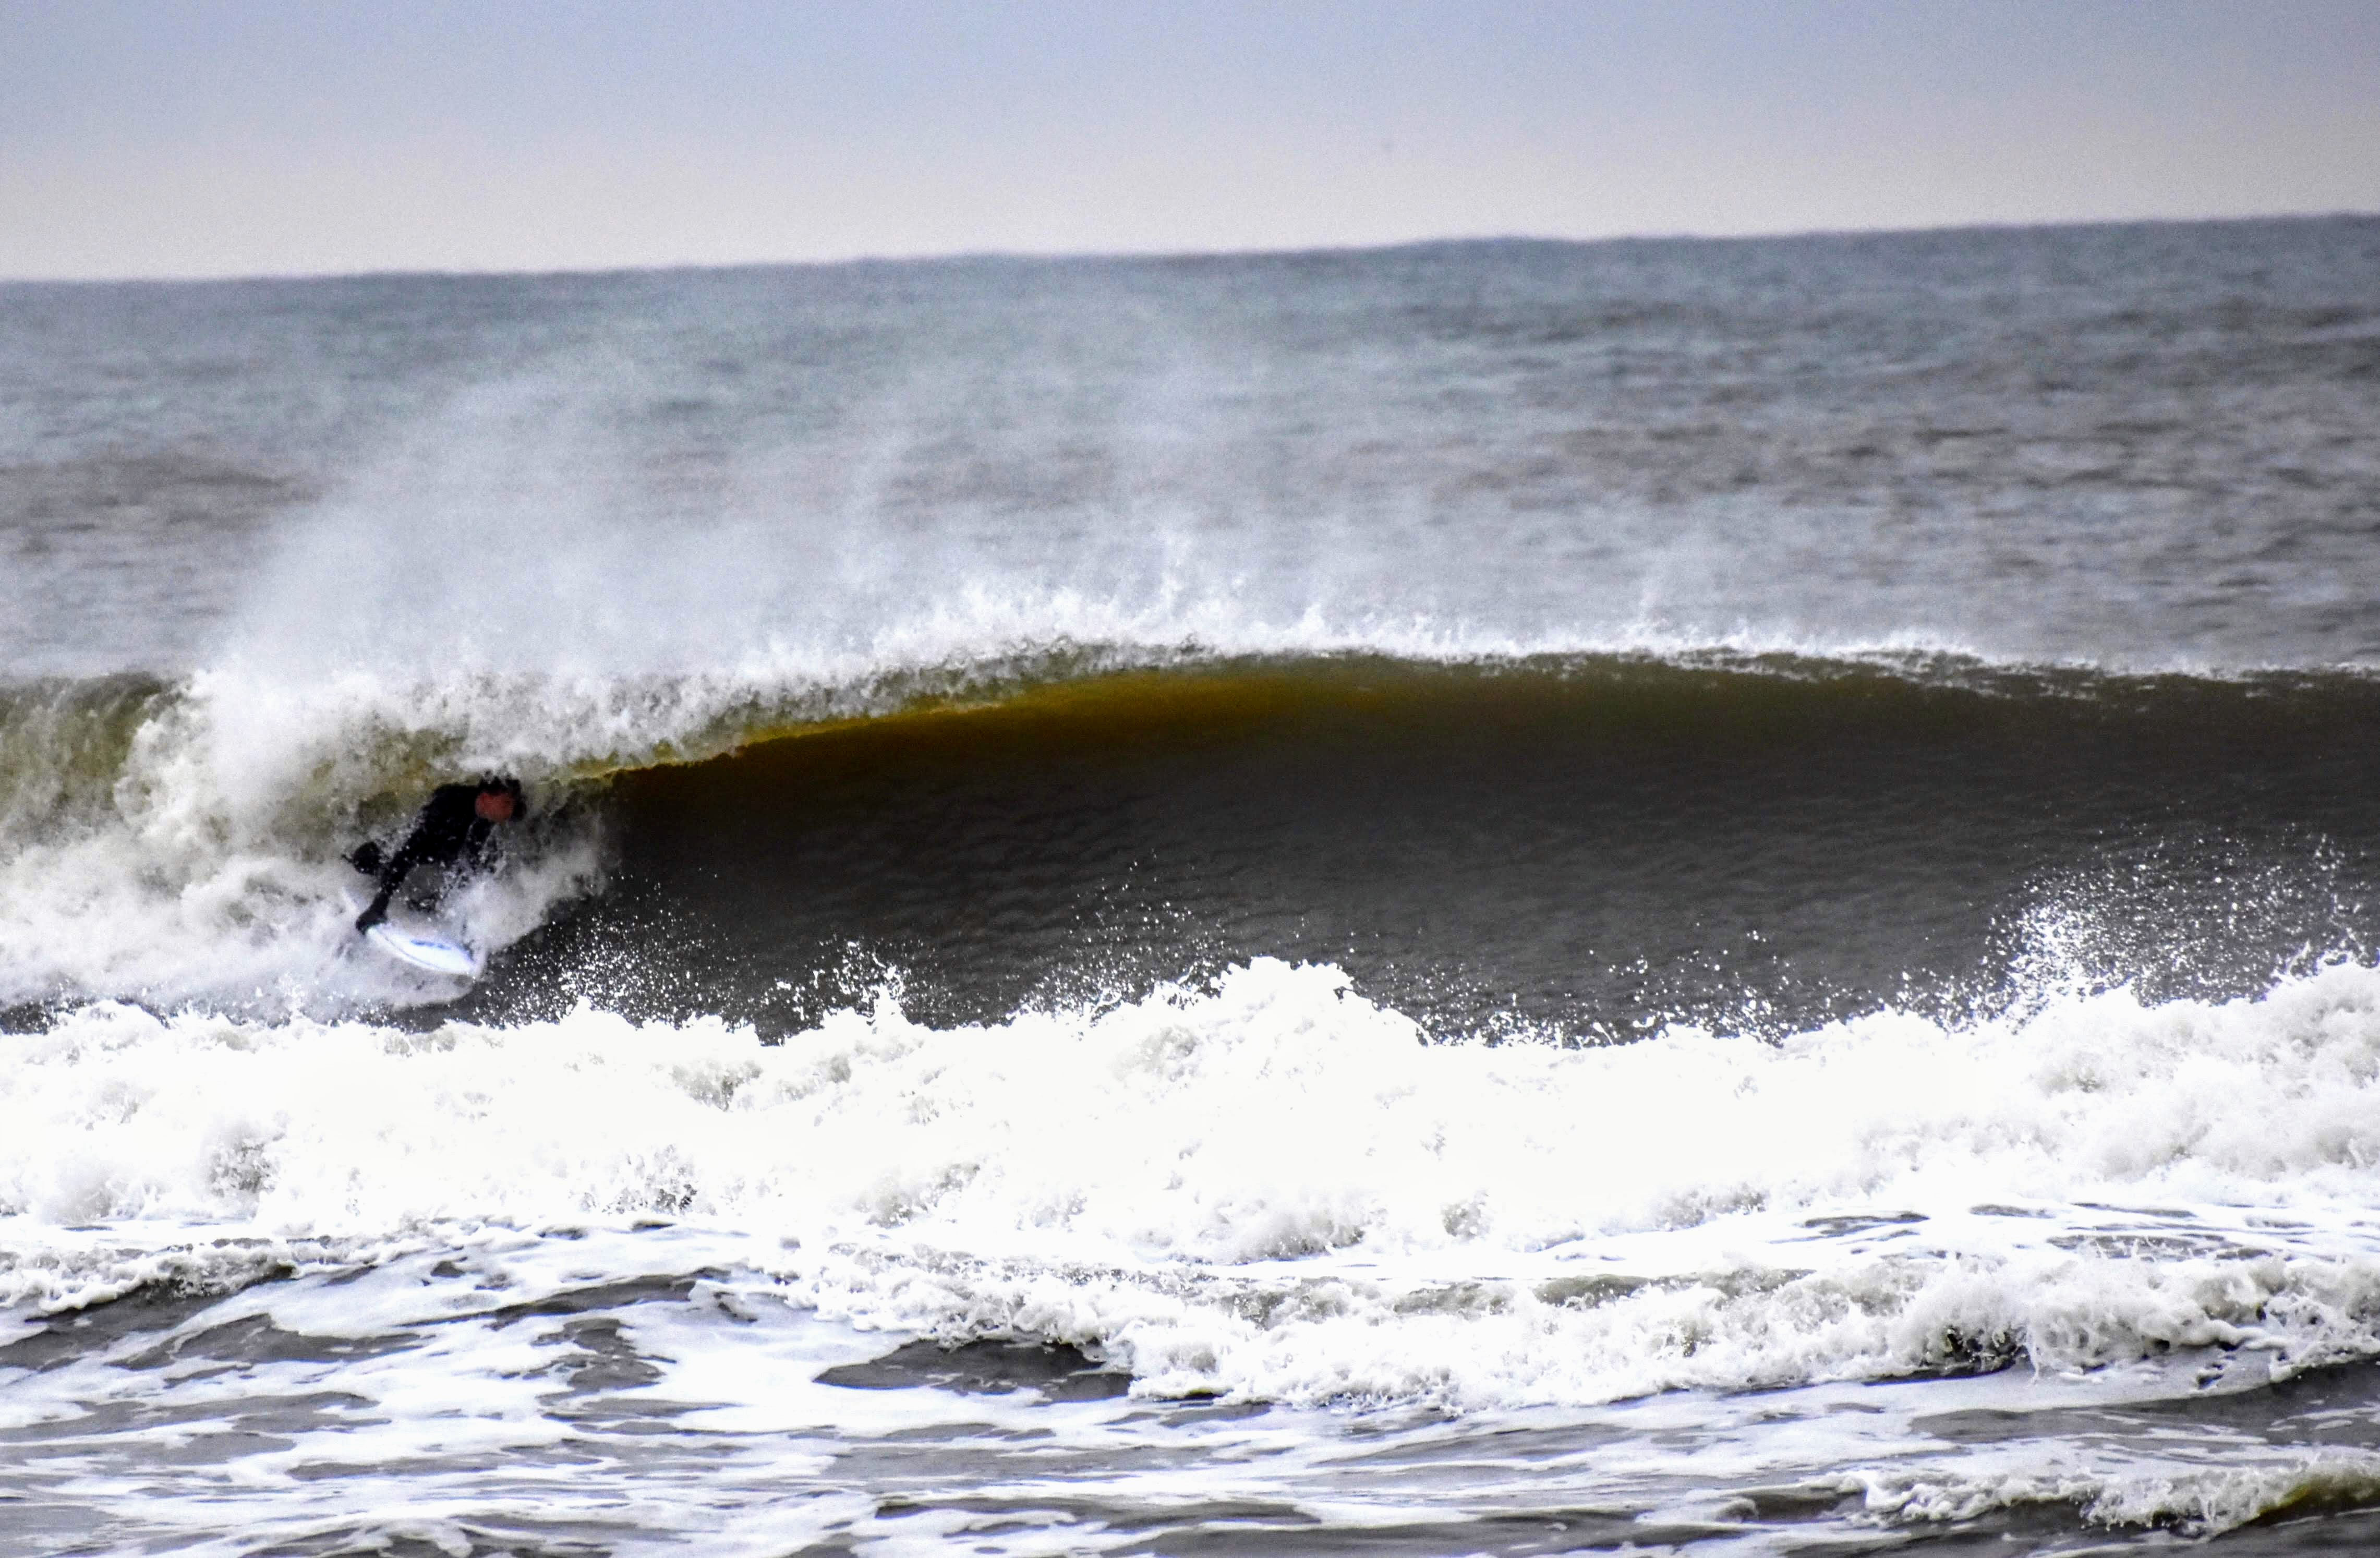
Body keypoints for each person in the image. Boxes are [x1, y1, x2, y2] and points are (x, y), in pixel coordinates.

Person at [351, 776, 526, 932]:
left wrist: (441, 902)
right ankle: (381, 884)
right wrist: (379, 906)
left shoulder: (487, 816)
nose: (510, 811)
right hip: (419, 844)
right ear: (486, 798)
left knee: (478, 863)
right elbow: (407, 853)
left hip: (445, 850)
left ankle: (439, 905)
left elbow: (468, 868)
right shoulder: (449, 806)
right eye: (506, 804)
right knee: (363, 860)